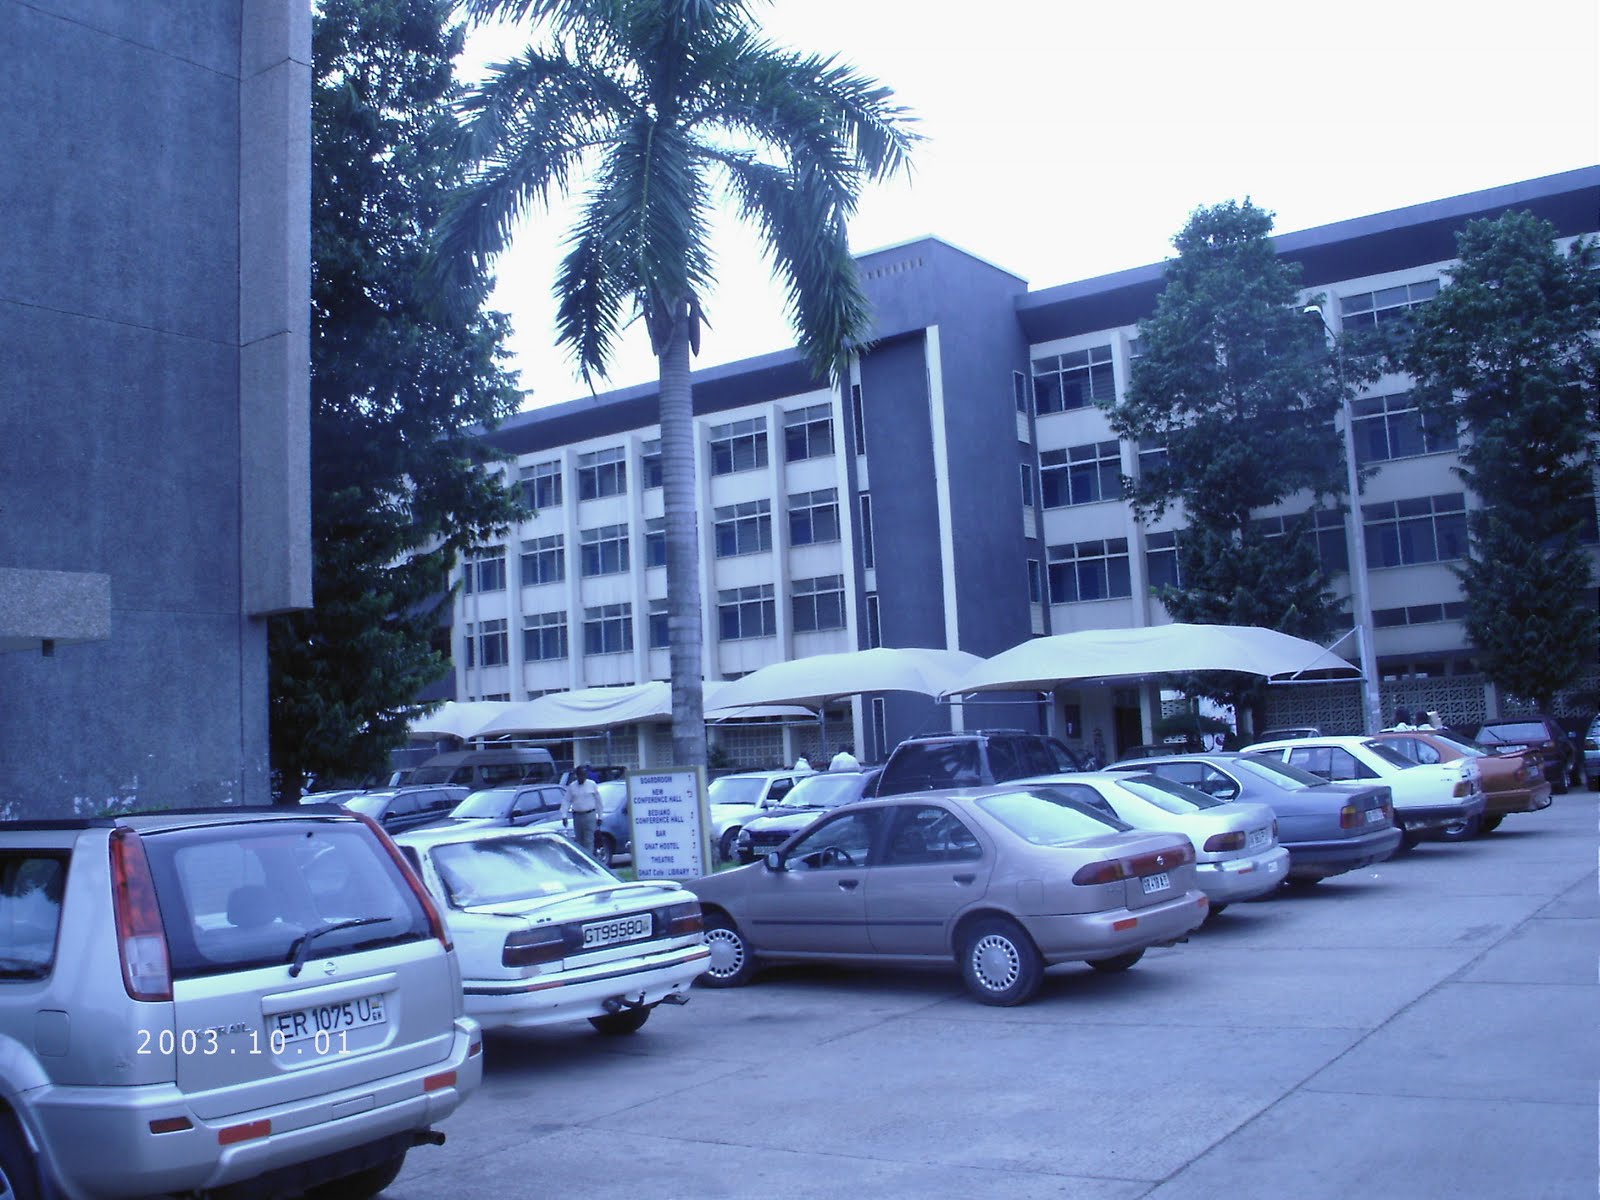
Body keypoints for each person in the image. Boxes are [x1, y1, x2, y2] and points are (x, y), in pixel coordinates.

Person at [562, 764, 604, 855]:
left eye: (584, 775)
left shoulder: (592, 784)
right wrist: (564, 816)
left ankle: (589, 861)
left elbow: (598, 801)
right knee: (579, 840)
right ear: (577, 775)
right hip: (577, 816)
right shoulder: (572, 787)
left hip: (590, 815)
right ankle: (582, 860)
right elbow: (566, 801)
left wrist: (600, 816)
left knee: (589, 840)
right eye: (580, 775)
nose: (582, 777)